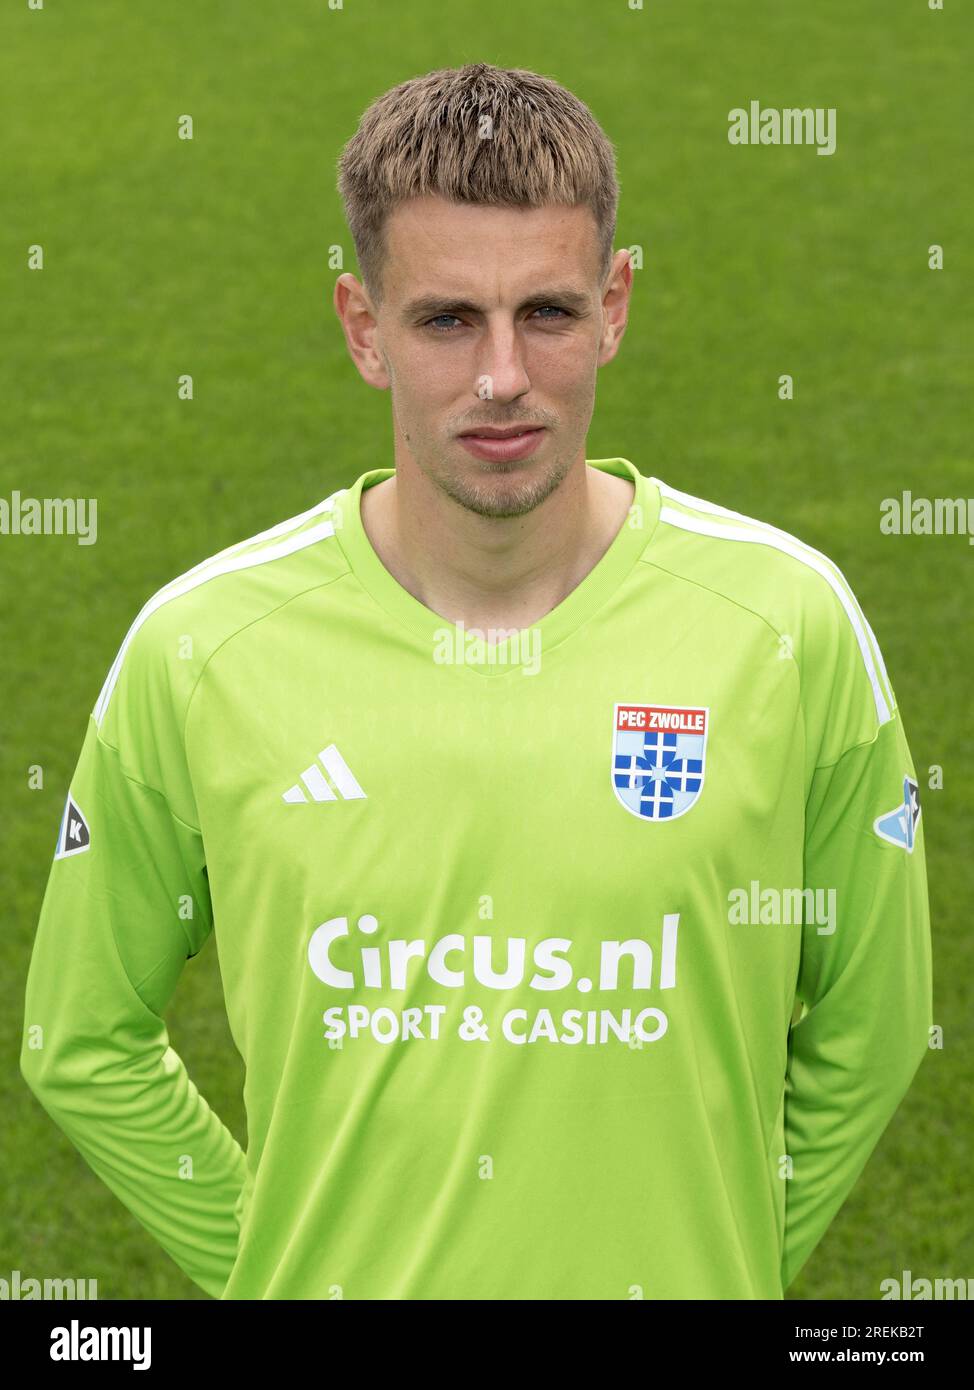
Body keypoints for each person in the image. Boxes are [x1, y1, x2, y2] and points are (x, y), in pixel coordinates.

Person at [21, 62, 931, 1300]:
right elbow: (82, 1039)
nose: (501, 376)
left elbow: (871, 1030)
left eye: (545, 314)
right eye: (447, 320)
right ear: (362, 327)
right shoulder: (203, 646)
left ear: (614, 304)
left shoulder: (786, 624)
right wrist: (283, 1267)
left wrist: (723, 1263)